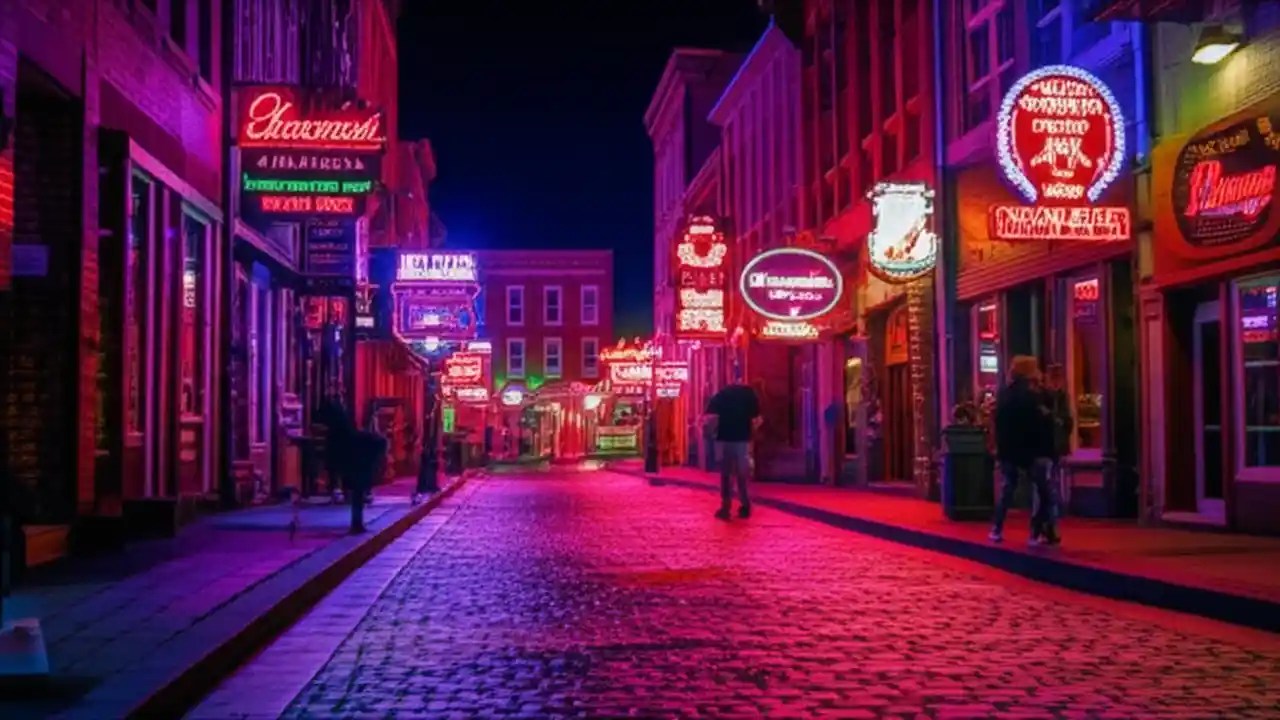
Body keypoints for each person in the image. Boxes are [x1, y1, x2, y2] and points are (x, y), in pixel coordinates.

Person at [990, 356, 1058, 545]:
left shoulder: (1005, 394)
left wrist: (1000, 447)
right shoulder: (1032, 395)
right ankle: (1035, 533)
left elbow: (1000, 422)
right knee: (1043, 492)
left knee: (1008, 489)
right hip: (1031, 450)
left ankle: (997, 528)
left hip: (1009, 450)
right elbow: (1037, 423)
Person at [703, 380, 762, 520]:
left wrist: (711, 433)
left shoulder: (722, 395)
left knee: (726, 473)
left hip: (726, 437)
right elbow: (757, 418)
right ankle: (745, 504)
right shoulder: (749, 395)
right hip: (742, 438)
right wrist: (752, 432)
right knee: (742, 473)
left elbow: (711, 416)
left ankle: (726, 506)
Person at [1042, 364, 1073, 523]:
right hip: (1049, 441)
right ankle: (1054, 507)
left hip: (1057, 440)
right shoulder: (1046, 396)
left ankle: (1059, 505)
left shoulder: (1062, 396)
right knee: (1049, 475)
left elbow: (1068, 419)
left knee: (1055, 473)